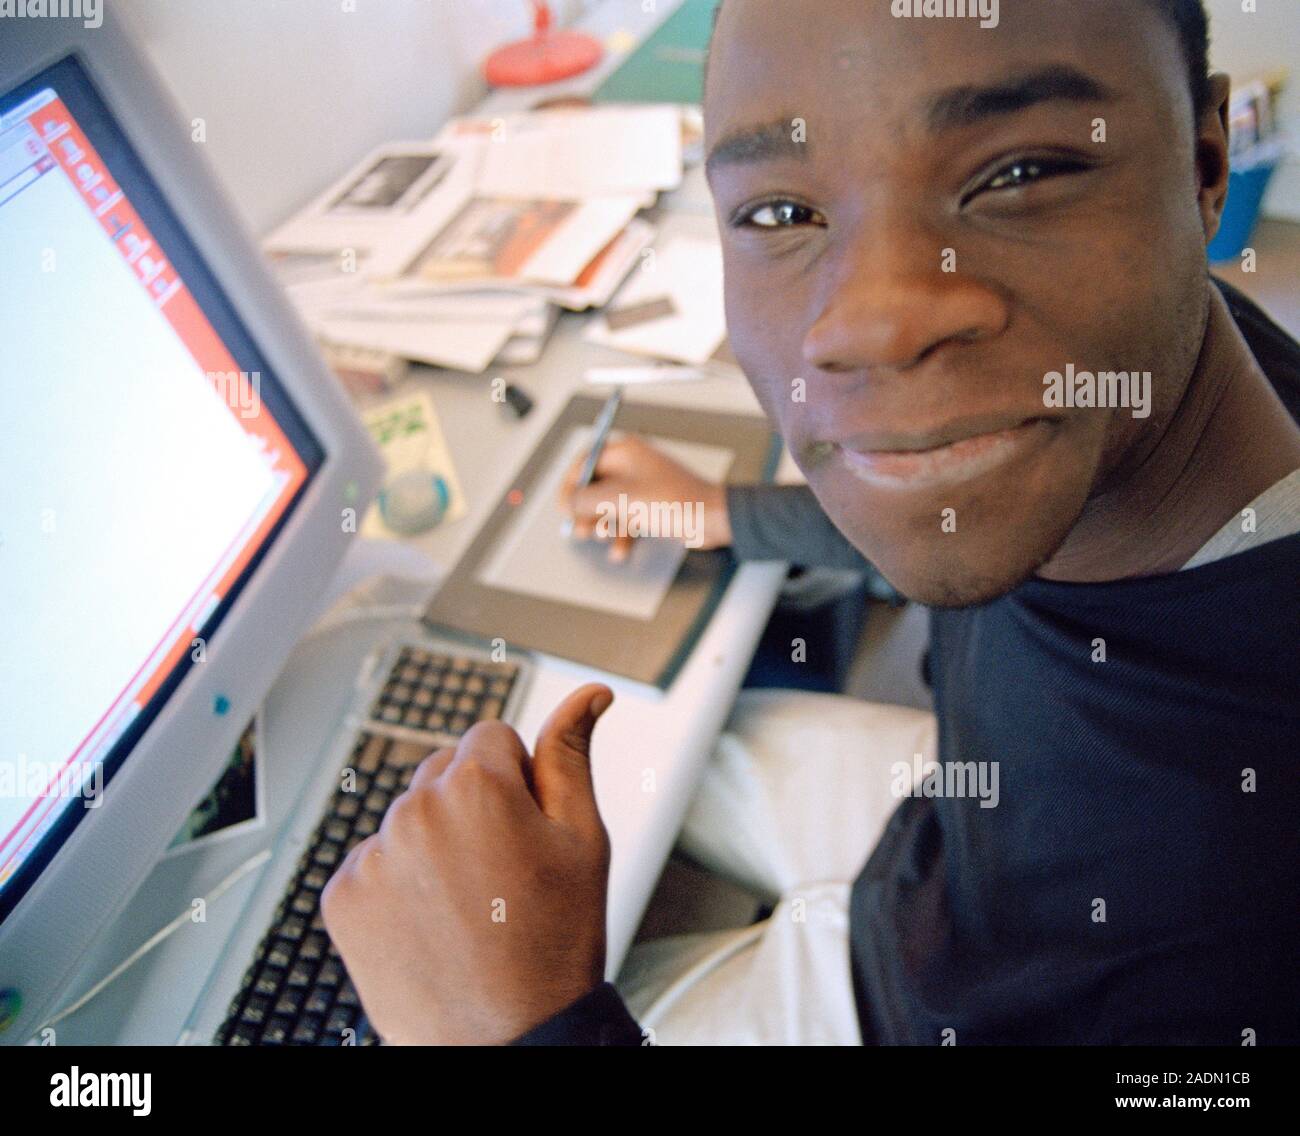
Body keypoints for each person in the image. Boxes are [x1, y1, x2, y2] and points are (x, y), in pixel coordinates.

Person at [321, 0, 1300, 1045]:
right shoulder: (1173, 376)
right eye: (783, 214)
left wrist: (523, 1030)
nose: (866, 324)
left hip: (947, 1009)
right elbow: (950, 488)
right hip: (947, 846)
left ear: (1204, 166)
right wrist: (722, 512)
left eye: (1018, 174)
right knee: (610, 752)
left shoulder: (1229, 910)